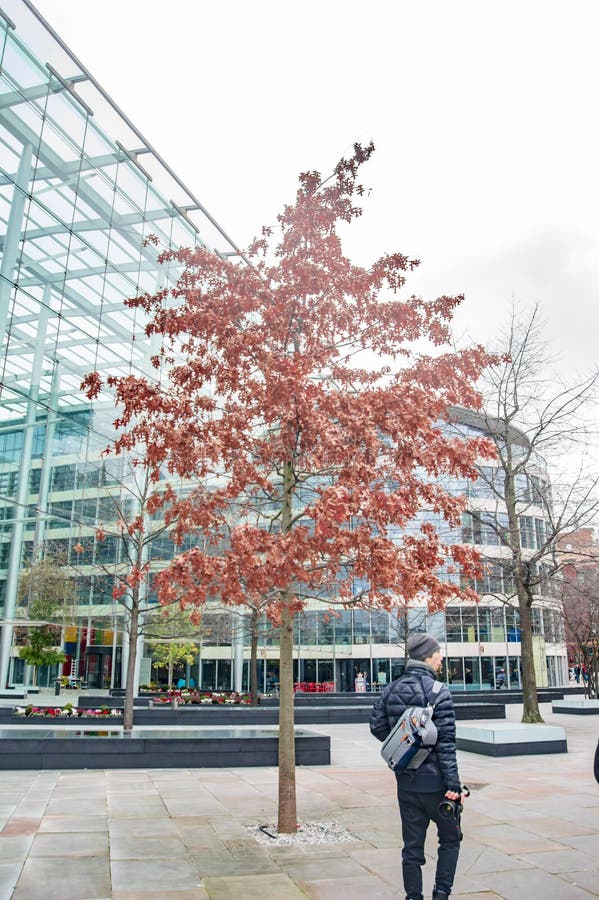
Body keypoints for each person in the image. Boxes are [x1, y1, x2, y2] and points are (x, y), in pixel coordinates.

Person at [370, 634, 465, 900]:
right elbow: (446, 743)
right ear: (427, 656)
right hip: (437, 785)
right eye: (438, 653)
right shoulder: (438, 691)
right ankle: (441, 893)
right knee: (450, 839)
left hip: (406, 782)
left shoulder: (391, 689)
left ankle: (413, 896)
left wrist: (406, 749)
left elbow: (377, 726)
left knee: (412, 847)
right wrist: (453, 785)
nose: (441, 657)